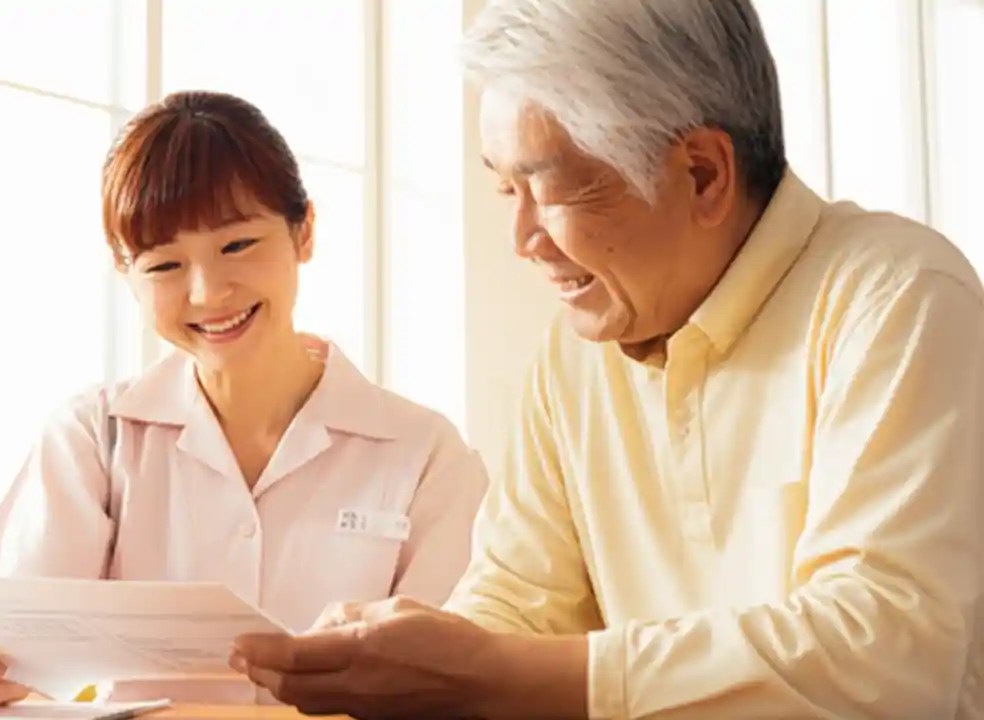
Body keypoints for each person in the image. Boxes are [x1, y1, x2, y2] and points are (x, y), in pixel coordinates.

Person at [230, 2, 984, 718]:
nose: (520, 236)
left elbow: (886, 657)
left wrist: (483, 670)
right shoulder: (575, 355)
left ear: (703, 174)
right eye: (503, 188)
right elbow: (516, 605)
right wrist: (411, 662)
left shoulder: (896, 297)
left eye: (549, 189)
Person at [0, 90, 488, 714]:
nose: (208, 293)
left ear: (303, 231)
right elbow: (2, 645)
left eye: (238, 246)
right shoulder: (96, 436)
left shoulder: (425, 455)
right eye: (165, 265)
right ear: (126, 274)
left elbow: (441, 685)